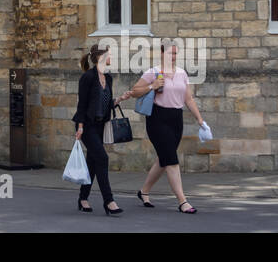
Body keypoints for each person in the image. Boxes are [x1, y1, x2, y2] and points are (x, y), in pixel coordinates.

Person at [124, 41, 205, 213]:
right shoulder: (153, 72)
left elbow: (188, 99)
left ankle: (144, 191)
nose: (173, 57)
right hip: (157, 118)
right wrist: (152, 86)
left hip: (176, 119)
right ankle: (183, 201)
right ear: (161, 54)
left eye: (175, 53)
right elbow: (135, 91)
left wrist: (199, 119)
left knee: (164, 159)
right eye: (170, 53)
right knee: (171, 159)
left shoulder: (182, 73)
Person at [72, 44, 122, 215]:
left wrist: (119, 99)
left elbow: (106, 102)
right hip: (86, 125)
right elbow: (82, 105)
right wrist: (79, 127)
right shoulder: (87, 77)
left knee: (92, 163)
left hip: (100, 125)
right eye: (109, 55)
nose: (111, 58)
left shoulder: (108, 78)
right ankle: (109, 201)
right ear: (101, 57)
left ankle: (83, 198)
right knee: (102, 158)